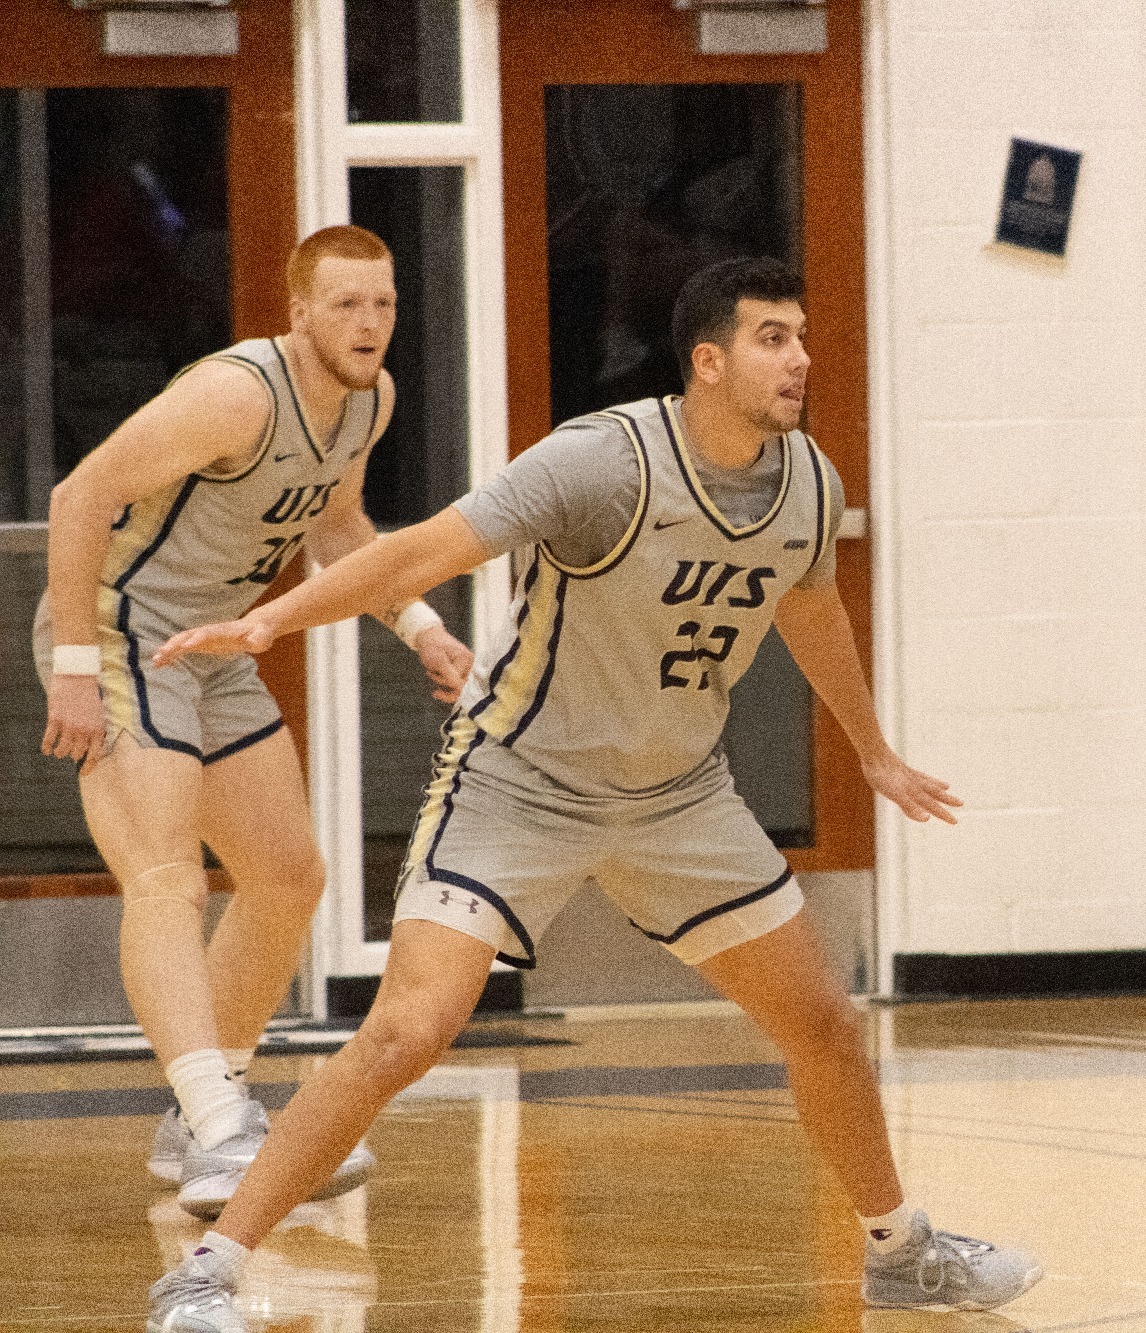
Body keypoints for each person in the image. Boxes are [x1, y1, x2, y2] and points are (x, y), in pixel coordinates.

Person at [144, 258, 1042, 1333]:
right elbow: (421, 551)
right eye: (772, 337)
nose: (800, 358)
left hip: (678, 795)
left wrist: (873, 751)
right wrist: (271, 621)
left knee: (824, 1022)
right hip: (518, 782)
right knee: (405, 1032)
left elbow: (809, 606)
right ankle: (207, 1271)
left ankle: (900, 1251)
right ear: (709, 362)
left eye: (801, 336)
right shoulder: (600, 463)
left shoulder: (807, 481)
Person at [35, 224, 471, 1219]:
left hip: (216, 644)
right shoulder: (237, 394)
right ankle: (221, 1121)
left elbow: (338, 525)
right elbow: (80, 492)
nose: (369, 323)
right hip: (119, 630)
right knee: (166, 878)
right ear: (300, 313)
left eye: (384, 303)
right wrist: (72, 667)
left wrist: (418, 625)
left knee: (288, 874)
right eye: (347, 304)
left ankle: (200, 1119)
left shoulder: (370, 398)